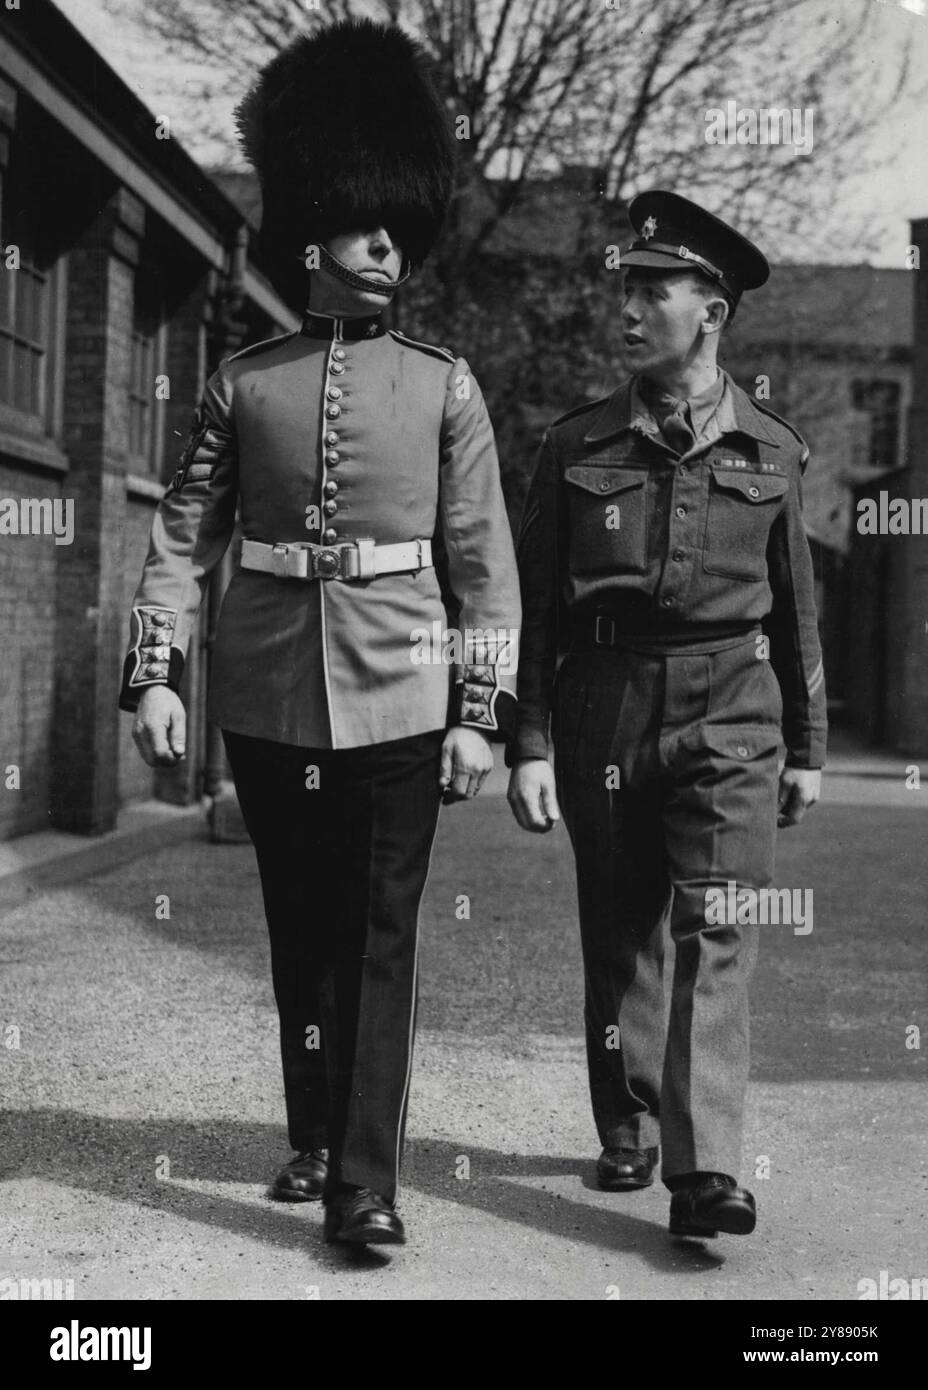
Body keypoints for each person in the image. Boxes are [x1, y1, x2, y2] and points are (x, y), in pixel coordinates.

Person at [120, 19, 520, 1248]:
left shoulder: (444, 383)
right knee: (302, 926)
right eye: (364, 222)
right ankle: (311, 1134)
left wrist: (481, 712)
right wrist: (158, 674)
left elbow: (483, 564)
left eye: (398, 222)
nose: (389, 242)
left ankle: (365, 1182)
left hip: (403, 695)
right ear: (312, 232)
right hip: (270, 694)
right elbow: (184, 537)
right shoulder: (247, 381)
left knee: (379, 937)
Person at [508, 189, 825, 1238]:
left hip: (733, 709)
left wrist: (808, 750)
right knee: (622, 923)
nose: (631, 310)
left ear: (713, 311)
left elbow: (798, 614)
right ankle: (630, 1119)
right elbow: (534, 604)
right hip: (604, 703)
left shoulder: (773, 450)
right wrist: (530, 740)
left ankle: (704, 1169)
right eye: (627, 290)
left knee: (717, 922)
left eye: (655, 291)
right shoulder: (575, 443)